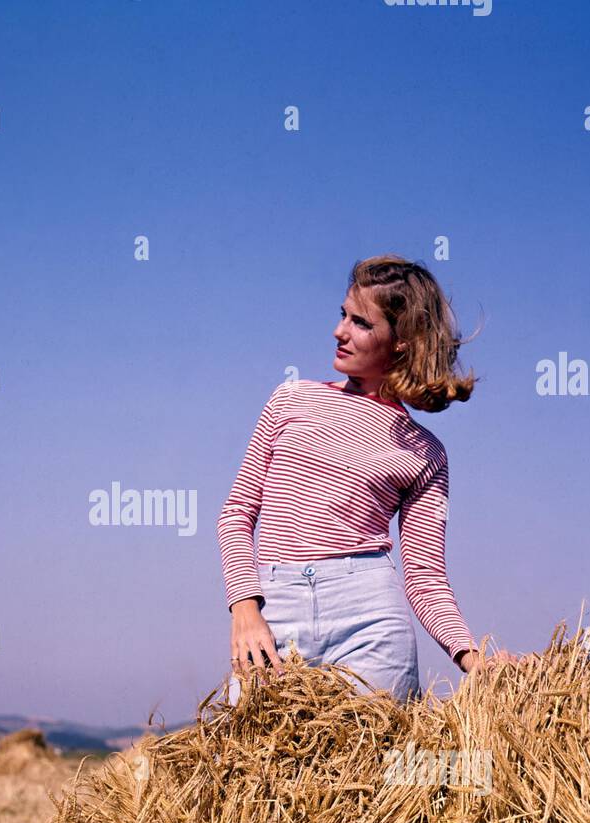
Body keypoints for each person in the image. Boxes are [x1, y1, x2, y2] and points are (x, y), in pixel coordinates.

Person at [217, 255, 515, 702]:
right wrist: (245, 610)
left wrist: (473, 658)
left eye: (361, 322)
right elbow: (236, 515)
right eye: (343, 314)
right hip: (274, 614)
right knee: (249, 765)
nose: (339, 331)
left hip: (372, 624)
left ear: (400, 342)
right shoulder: (290, 400)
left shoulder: (425, 451)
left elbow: (425, 576)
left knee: (376, 769)